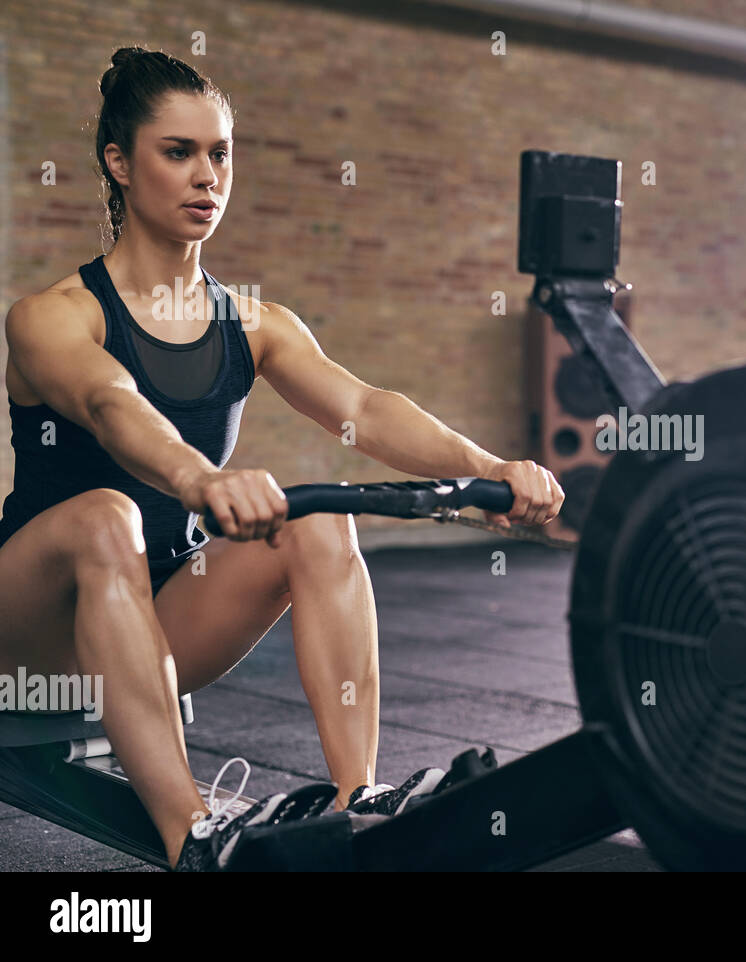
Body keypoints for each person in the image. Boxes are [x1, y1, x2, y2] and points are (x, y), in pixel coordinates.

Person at [0, 47, 564, 870]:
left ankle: (357, 800)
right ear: (118, 164)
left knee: (321, 517)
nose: (207, 178)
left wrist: (491, 472)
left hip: (153, 625)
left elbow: (365, 408)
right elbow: (109, 404)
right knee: (105, 517)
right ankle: (191, 831)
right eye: (179, 152)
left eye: (220, 154)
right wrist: (200, 478)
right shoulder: (51, 316)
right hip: (27, 633)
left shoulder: (256, 323)